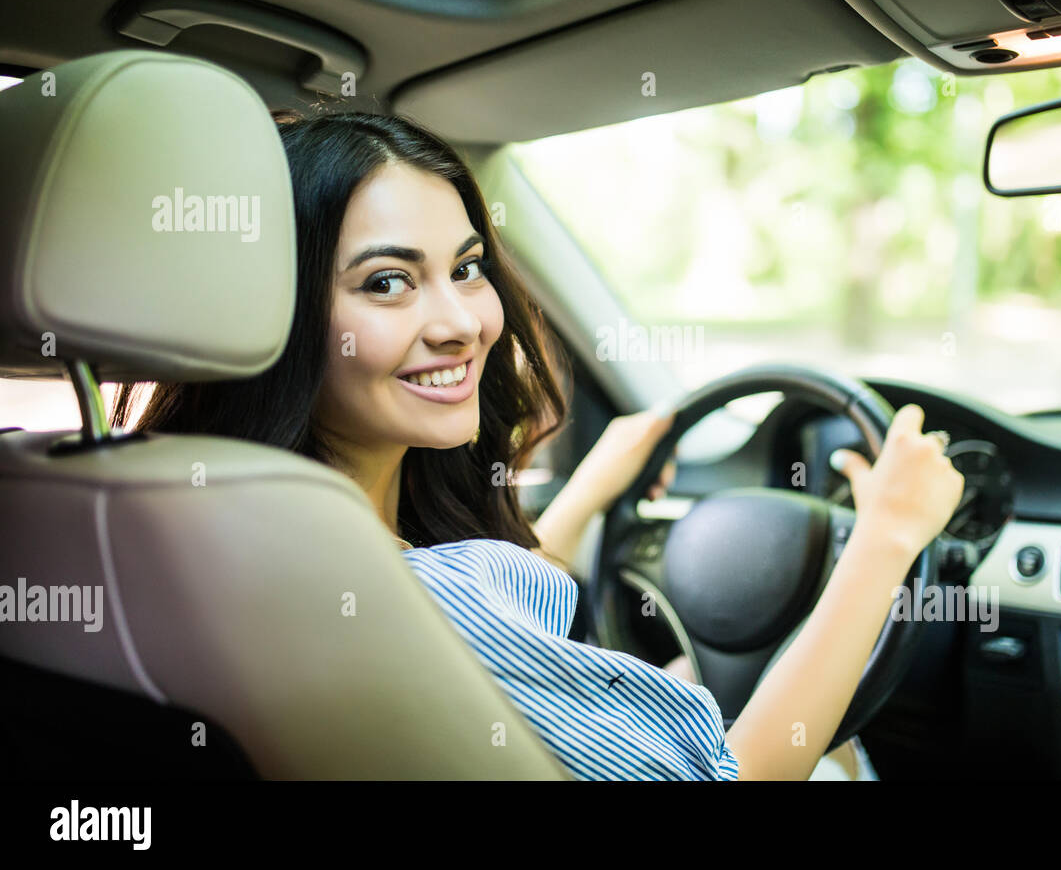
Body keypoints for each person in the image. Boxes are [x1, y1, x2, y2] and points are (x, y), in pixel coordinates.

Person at [111, 111, 964, 780]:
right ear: (278, 314)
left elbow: (467, 632)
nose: (459, 323)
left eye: (466, 268)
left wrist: (591, 489)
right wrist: (888, 535)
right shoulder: (418, 599)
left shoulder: (176, 531)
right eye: (387, 282)